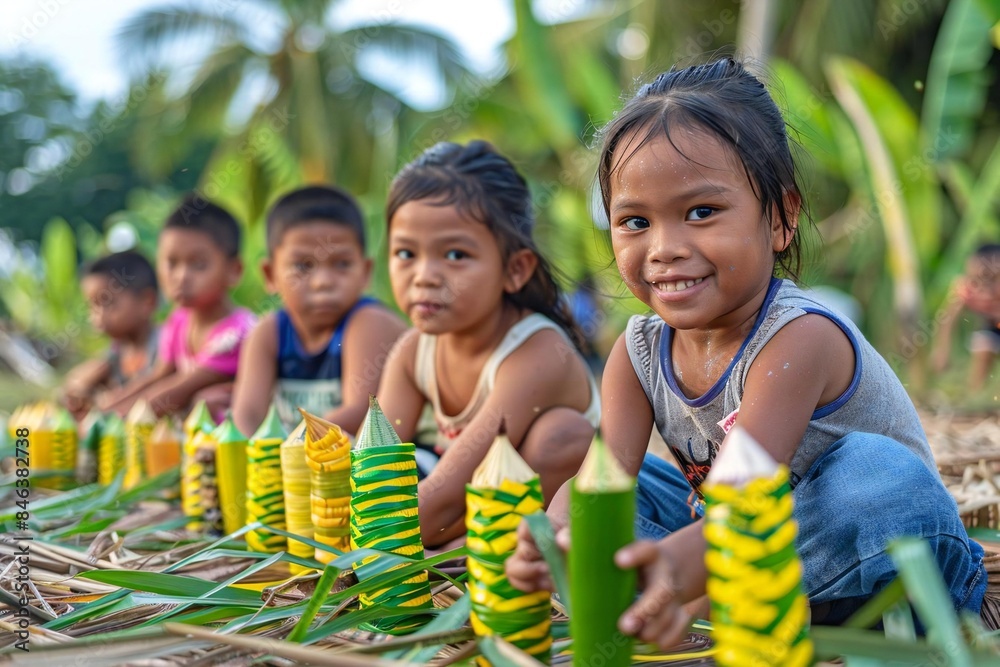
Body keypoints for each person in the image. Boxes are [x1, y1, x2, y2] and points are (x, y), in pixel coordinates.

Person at [505, 58, 991, 647]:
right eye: (635, 221)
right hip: (743, 557)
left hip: (879, 561)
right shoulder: (637, 354)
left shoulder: (797, 338)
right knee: (622, 504)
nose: (664, 248)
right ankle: (690, 592)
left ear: (781, 219)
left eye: (701, 213)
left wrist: (689, 565)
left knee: (876, 476)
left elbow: (743, 495)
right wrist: (553, 541)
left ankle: (694, 593)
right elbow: (598, 488)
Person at [377, 140, 601, 549]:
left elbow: (447, 496)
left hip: (544, 527)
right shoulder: (413, 353)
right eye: (406, 252)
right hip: (463, 516)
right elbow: (378, 469)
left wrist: (365, 542)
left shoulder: (536, 352)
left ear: (514, 270)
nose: (424, 275)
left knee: (560, 435)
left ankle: (505, 556)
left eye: (456, 254)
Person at [231, 185, 406, 435]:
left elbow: (359, 412)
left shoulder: (368, 322)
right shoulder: (268, 333)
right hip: (300, 463)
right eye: (303, 266)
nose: (323, 281)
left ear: (365, 271)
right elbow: (246, 416)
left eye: (342, 264)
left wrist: (288, 449)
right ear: (270, 275)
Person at [102, 194, 255, 420]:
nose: (181, 277)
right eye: (172, 263)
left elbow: (177, 391)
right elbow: (159, 377)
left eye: (198, 265)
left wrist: (112, 421)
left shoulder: (237, 333)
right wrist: (105, 411)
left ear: (234, 270)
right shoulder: (180, 320)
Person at [61, 250, 160, 421]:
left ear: (147, 301)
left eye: (106, 303)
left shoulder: (165, 345)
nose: (97, 316)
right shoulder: (115, 353)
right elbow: (73, 385)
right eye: (92, 307)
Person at [931, 243, 1000, 391]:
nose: (984, 286)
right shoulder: (966, 289)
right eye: (978, 278)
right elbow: (947, 319)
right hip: (992, 328)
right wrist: (941, 350)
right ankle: (976, 394)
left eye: (992, 278)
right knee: (983, 346)